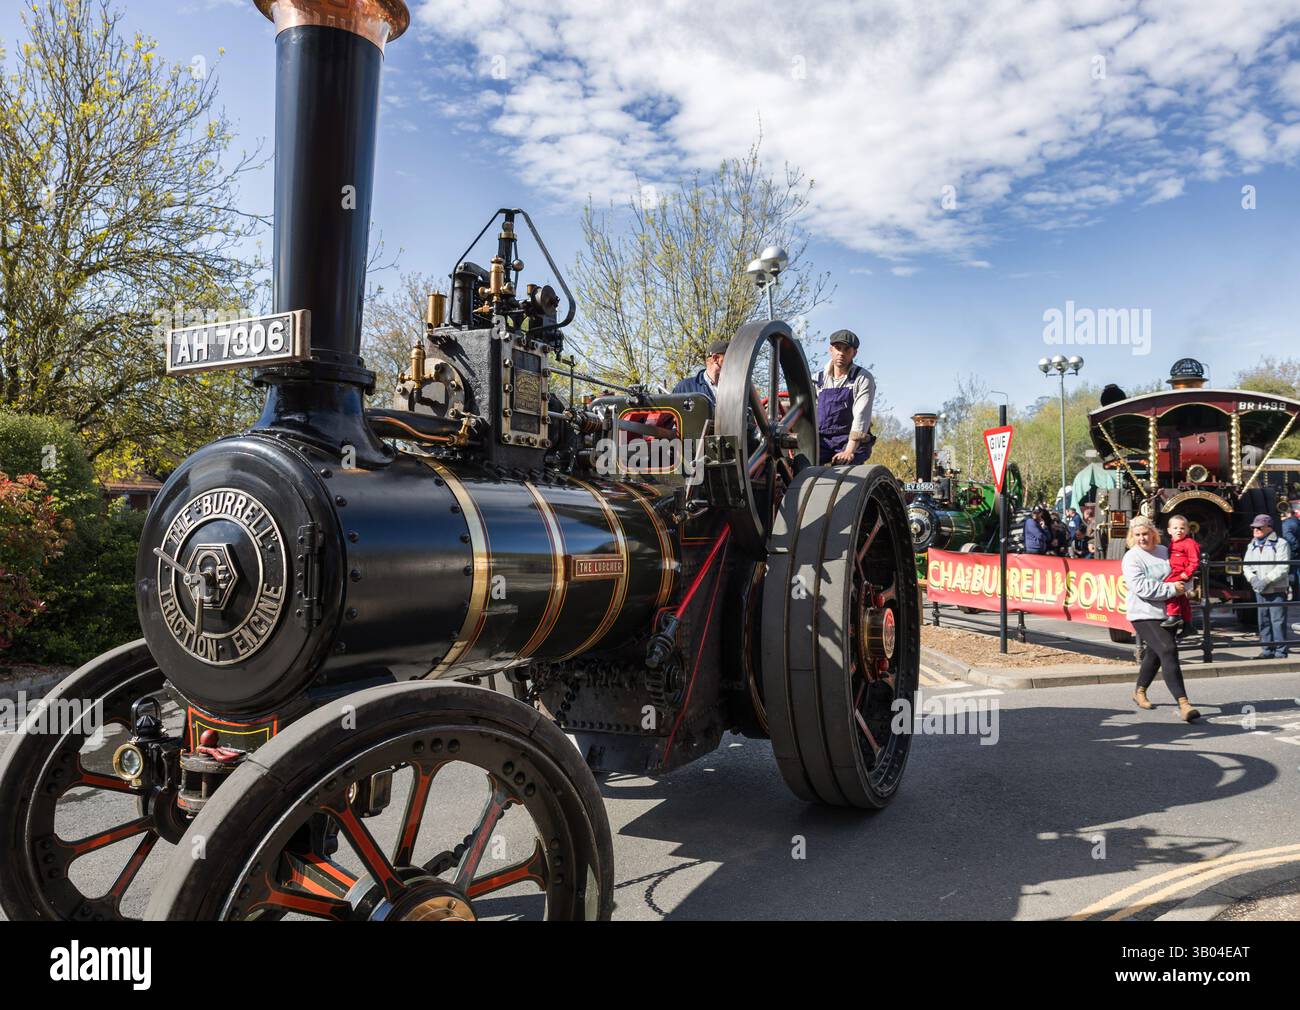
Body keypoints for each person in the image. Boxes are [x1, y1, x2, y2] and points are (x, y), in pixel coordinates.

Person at [1122, 516, 1199, 721]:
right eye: (1137, 535)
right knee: (1167, 649)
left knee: (1155, 654)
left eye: (1145, 533)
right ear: (1132, 536)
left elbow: (1182, 572)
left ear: (1153, 533)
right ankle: (1184, 704)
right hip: (1143, 613)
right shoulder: (1132, 558)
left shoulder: (1165, 551)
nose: (1142, 538)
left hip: (1168, 612)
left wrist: (1187, 587)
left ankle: (1139, 690)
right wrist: (1173, 589)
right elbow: (1141, 587)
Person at [814, 329, 876, 465]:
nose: (841, 353)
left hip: (851, 439)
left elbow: (862, 416)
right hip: (823, 440)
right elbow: (804, 407)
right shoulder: (818, 379)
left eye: (847, 349)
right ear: (831, 349)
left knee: (844, 467)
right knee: (801, 463)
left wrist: (849, 450)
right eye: (838, 348)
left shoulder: (863, 378)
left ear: (854, 353)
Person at [1243, 513, 1291, 659]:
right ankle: (1267, 650)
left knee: (1277, 621)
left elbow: (1283, 567)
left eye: (1259, 527)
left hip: (1276, 589)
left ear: (1269, 527)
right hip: (1260, 588)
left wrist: (1265, 580)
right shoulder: (1252, 544)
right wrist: (1254, 579)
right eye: (1254, 527)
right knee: (1263, 621)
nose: (1255, 530)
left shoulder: (1281, 543)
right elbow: (1246, 566)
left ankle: (1280, 651)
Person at [1160, 514, 1199, 634]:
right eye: (1175, 528)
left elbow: (1195, 561)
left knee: (1169, 589)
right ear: (1169, 531)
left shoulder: (1189, 543)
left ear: (1187, 530)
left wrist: (1186, 574)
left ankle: (1174, 615)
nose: (1179, 531)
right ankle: (1188, 625)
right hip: (1176, 572)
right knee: (1182, 599)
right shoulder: (1172, 543)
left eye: (1182, 528)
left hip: (1181, 574)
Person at [672, 339, 728, 405]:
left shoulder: (735, 386)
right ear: (715, 358)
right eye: (729, 357)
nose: (734, 362)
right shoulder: (685, 388)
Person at [1281, 500, 1300, 601]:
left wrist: (1294, 548)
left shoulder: (1287, 524)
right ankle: (1297, 596)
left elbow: (1288, 537)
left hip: (1292, 553)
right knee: (1296, 574)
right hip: (1296, 552)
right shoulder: (1297, 522)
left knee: (1290, 575)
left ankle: (1288, 596)